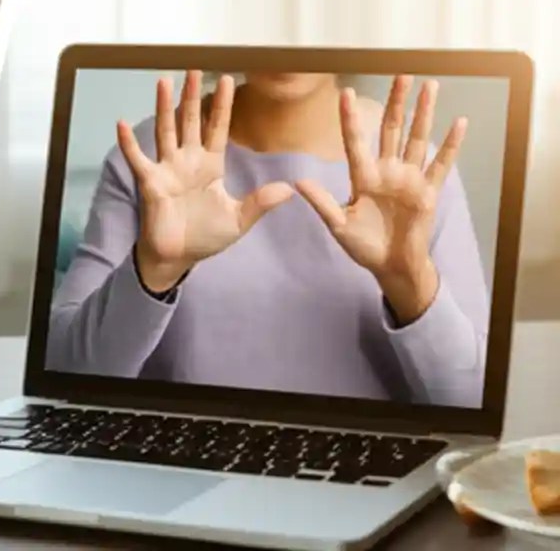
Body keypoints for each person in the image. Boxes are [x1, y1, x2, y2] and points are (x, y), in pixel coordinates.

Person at [47, 70, 488, 407]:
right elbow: (66, 375)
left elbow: (469, 401)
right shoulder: (157, 160)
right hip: (172, 473)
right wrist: (154, 270)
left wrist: (409, 282)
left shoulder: (411, 173)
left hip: (370, 477)